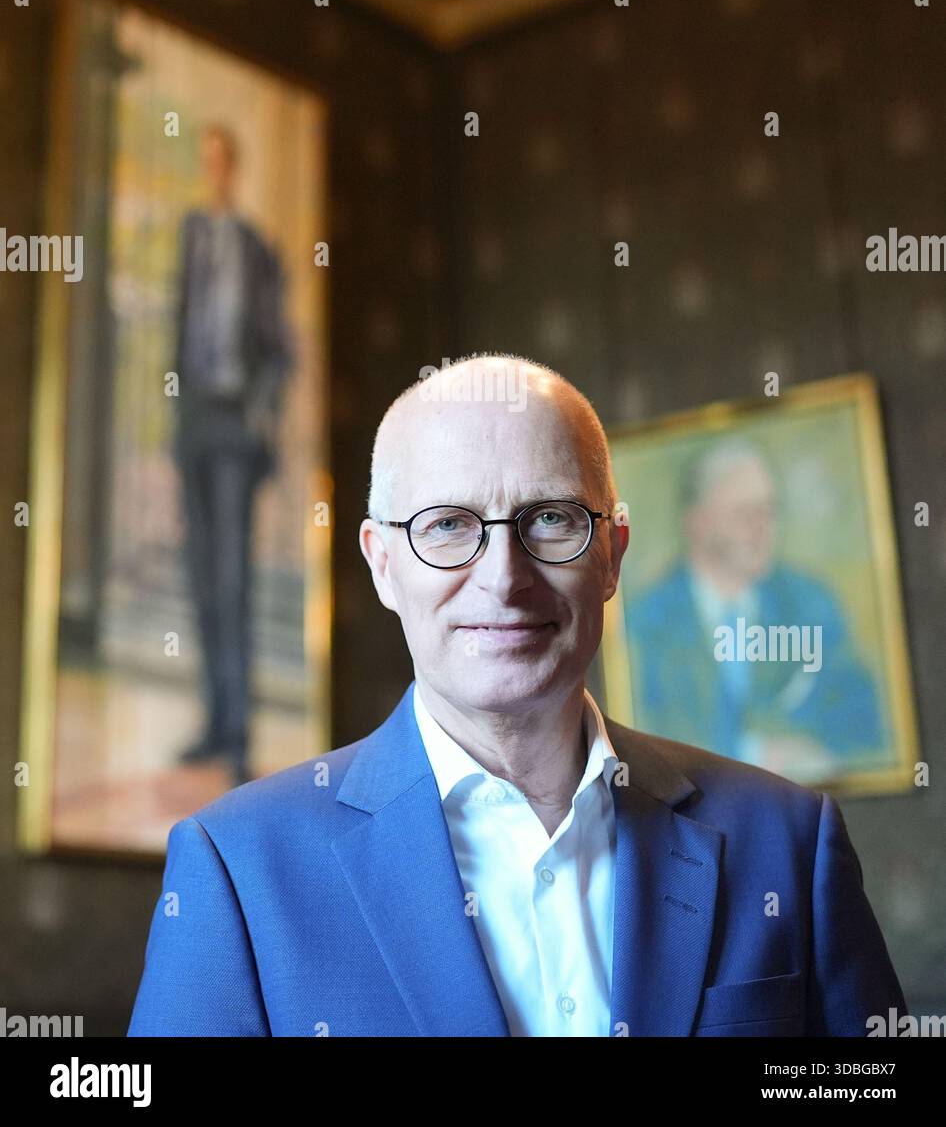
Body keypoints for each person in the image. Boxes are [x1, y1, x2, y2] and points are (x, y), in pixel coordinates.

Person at [129, 353, 906, 1036]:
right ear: (381, 565)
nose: (504, 577)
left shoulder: (787, 843)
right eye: (446, 526)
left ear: (612, 557)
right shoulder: (238, 867)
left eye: (550, 519)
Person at [627, 437, 887, 779]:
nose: (762, 529)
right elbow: (642, 736)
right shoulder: (647, 619)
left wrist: (814, 753)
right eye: (744, 514)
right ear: (698, 523)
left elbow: (864, 719)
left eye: (768, 510)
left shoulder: (811, 604)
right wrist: (746, 754)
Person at [172, 123, 294, 787]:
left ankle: (240, 735)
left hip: (234, 431)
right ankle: (214, 724)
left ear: (234, 168)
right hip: (193, 422)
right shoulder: (191, 237)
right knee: (199, 578)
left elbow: (280, 352)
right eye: (206, 162)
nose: (213, 171)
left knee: (232, 581)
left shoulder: (257, 250)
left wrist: (258, 413)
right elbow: (176, 326)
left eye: (222, 161)